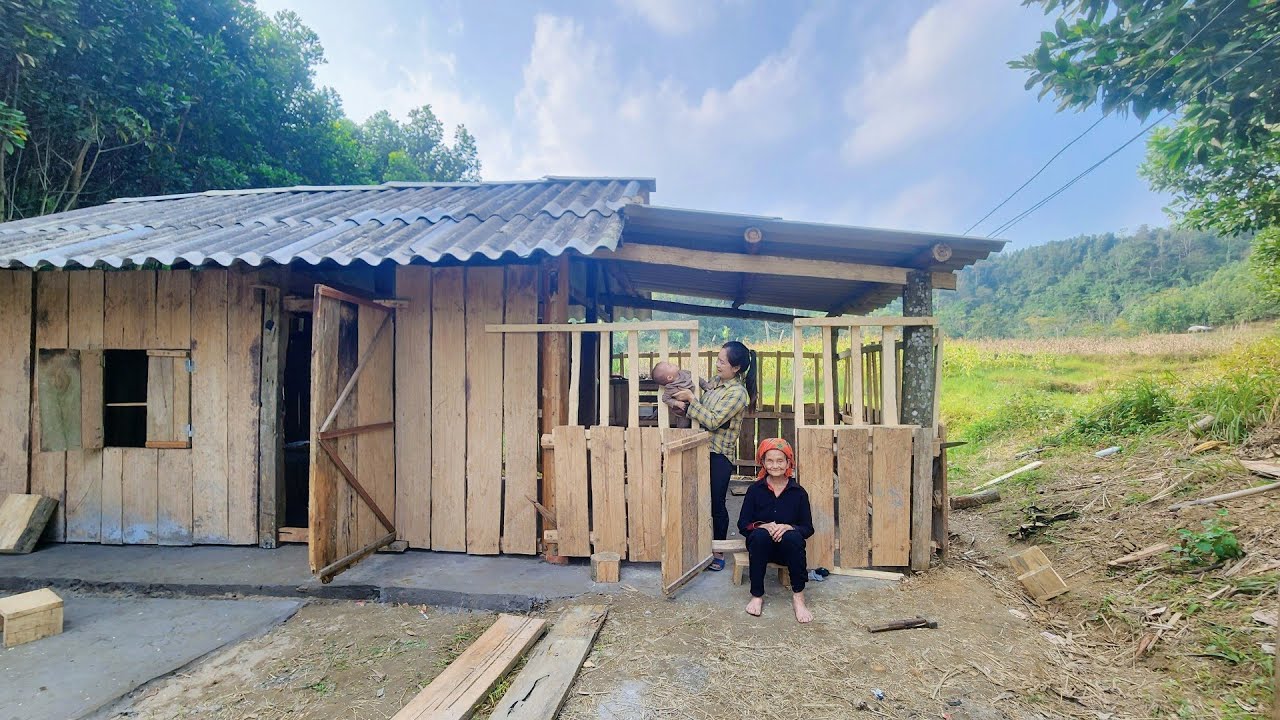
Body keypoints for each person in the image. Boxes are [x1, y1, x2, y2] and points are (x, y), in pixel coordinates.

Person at [671, 340, 757, 571]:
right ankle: (697, 546)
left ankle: (717, 549)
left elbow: (712, 421)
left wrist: (690, 401)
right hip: (700, 448)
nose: (717, 364)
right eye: (717, 359)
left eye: (722, 361)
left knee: (716, 503)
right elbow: (706, 390)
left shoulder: (738, 394)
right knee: (696, 499)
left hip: (719, 455)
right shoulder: (717, 382)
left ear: (736, 368)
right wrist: (685, 379)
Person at [738, 438, 814, 623]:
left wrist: (789, 527)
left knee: (793, 538)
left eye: (780, 460)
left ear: (789, 462)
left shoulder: (798, 492)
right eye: (769, 461)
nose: (775, 465)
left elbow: (807, 528)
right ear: (762, 463)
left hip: (787, 551)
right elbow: (743, 524)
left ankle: (799, 598)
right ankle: (757, 596)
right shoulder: (755, 490)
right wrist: (761, 525)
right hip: (761, 549)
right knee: (759, 536)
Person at [651, 361, 709, 429]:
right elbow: (665, 399)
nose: (673, 364)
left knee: (700, 421)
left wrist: (706, 386)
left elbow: (698, 379)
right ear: (669, 377)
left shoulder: (685, 373)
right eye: (670, 366)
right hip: (682, 410)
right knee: (683, 425)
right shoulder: (670, 388)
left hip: (696, 404)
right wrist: (676, 403)